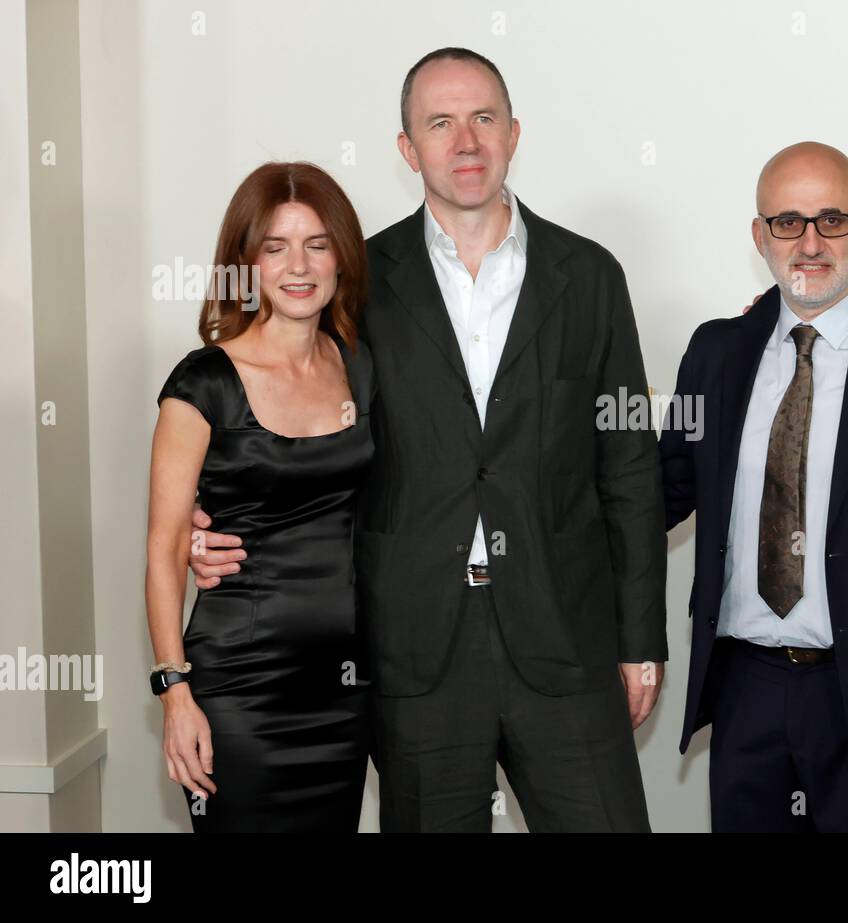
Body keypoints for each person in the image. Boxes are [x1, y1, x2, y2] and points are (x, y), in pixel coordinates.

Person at [187, 48, 667, 832]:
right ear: (408, 149)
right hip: (415, 653)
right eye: (439, 124)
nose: (465, 141)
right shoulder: (357, 282)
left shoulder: (591, 276)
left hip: (567, 640)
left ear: (514, 133)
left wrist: (642, 640)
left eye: (482, 119)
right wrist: (219, 527)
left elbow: (630, 471)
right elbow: (297, 431)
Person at [659, 142, 848, 831]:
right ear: (760, 236)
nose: (812, 242)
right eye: (789, 222)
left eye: (833, 219)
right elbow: (656, 494)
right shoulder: (718, 352)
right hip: (746, 692)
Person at [146, 161, 373, 832]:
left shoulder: (359, 363)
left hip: (345, 689)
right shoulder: (203, 382)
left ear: (341, 257)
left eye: (316, 244)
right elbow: (163, 545)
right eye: (275, 246)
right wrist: (174, 691)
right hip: (238, 690)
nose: (297, 265)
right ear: (246, 261)